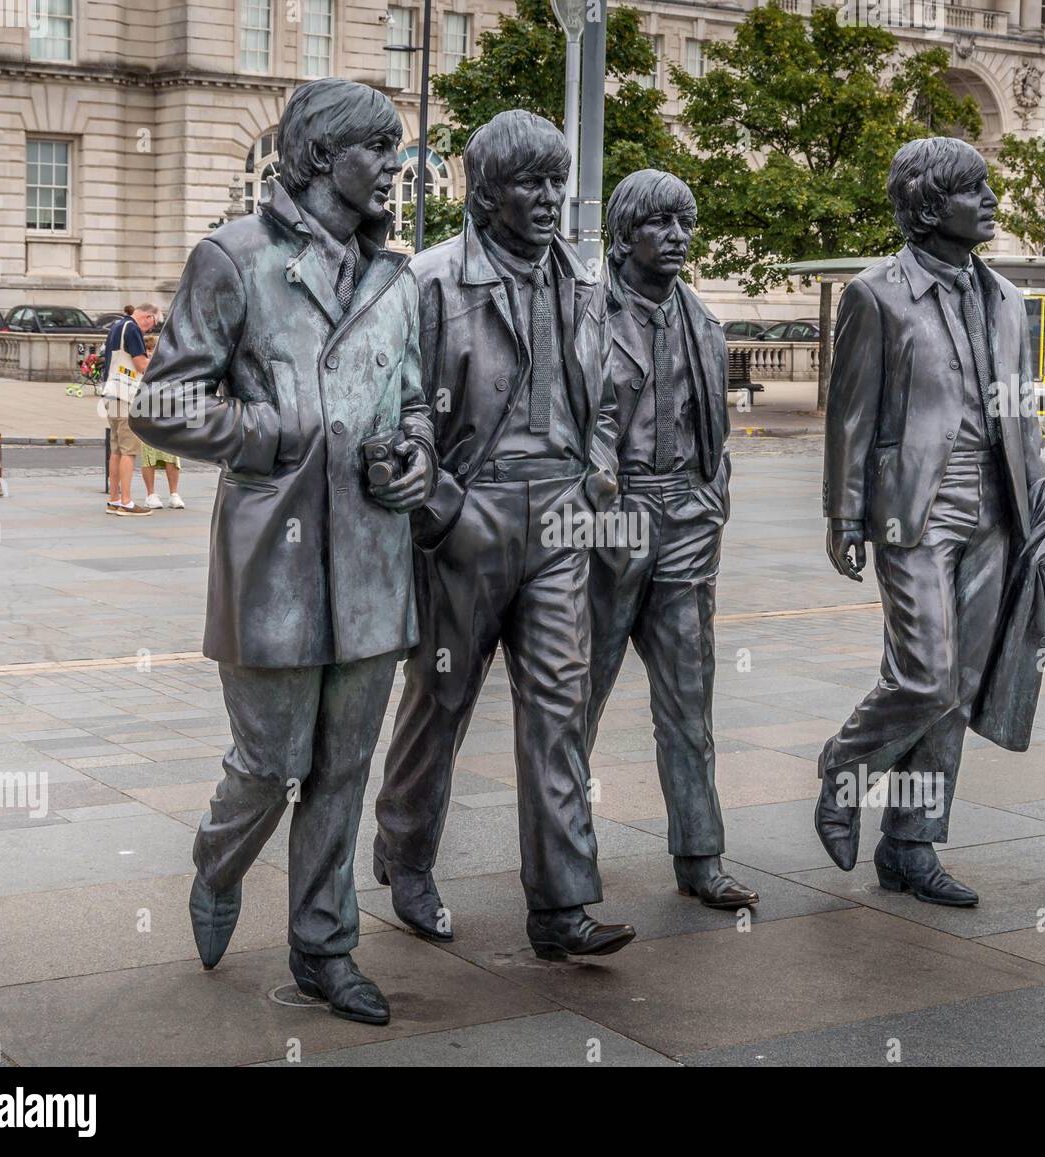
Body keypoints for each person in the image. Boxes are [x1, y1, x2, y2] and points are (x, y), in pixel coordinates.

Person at [130, 78, 434, 1025]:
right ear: (317, 158)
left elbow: (416, 402)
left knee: (344, 771)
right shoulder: (235, 258)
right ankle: (219, 860)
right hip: (277, 563)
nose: (396, 165)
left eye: (397, 149)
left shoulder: (397, 277)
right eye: (378, 150)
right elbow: (161, 404)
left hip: (376, 564)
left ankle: (324, 947)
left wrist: (415, 457)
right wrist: (271, 428)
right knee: (268, 765)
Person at [373, 109, 636, 961]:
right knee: (440, 702)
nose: (551, 197)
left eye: (557, 180)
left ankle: (561, 905)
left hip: (561, 515)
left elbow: (604, 402)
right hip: (469, 514)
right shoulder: (431, 281)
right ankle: (405, 854)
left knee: (559, 711)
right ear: (485, 194)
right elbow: (395, 411)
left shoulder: (585, 283)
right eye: (531, 182)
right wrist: (442, 507)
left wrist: (596, 473)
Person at [816, 137, 1045, 907]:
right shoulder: (877, 295)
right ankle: (845, 766)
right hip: (916, 506)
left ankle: (911, 843)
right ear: (931, 207)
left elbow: (1021, 418)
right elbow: (850, 415)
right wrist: (844, 512)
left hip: (996, 509)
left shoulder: (1003, 299)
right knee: (923, 673)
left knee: (957, 687)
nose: (990, 200)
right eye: (974, 190)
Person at [586, 169, 758, 911]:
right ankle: (563, 860)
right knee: (575, 703)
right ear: (625, 235)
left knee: (689, 703)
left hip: (686, 518)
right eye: (661, 224)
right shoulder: (583, 315)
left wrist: (712, 496)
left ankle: (700, 854)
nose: (679, 237)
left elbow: (711, 431)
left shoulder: (704, 321)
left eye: (686, 223)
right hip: (609, 521)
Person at [102, 303, 160, 516]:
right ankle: (126, 501)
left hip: (110, 393)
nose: (150, 330)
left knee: (116, 450)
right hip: (126, 396)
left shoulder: (117, 326)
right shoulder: (133, 329)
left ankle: (114, 499)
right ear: (148, 317)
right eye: (153, 324)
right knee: (129, 450)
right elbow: (141, 365)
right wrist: (157, 360)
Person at [139, 331, 185, 509]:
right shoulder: (141, 365)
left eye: (153, 349)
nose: (151, 353)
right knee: (149, 455)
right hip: (147, 412)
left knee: (171, 455)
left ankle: (174, 493)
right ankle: (151, 494)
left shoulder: (169, 364)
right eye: (148, 350)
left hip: (167, 411)